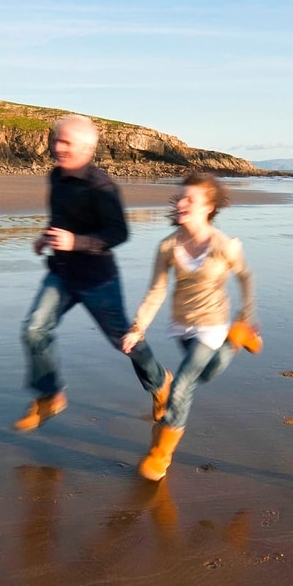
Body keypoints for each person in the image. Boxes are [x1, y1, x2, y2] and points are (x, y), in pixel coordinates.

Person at [13, 114, 172, 431]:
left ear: (87, 149)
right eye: (57, 140)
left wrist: (76, 242)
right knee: (34, 330)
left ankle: (160, 382)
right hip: (61, 273)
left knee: (121, 340)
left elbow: (118, 233)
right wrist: (47, 236)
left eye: (66, 142)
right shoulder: (56, 177)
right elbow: (62, 219)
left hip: (98, 279)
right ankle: (49, 396)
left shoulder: (102, 187)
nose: (57, 147)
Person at [121, 172, 258, 481]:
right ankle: (234, 341)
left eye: (190, 199)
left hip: (213, 323)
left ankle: (161, 455)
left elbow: (245, 277)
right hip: (182, 325)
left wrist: (246, 315)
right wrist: (137, 327)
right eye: (180, 198)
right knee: (203, 376)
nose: (181, 203)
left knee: (184, 385)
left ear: (208, 207)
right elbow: (156, 291)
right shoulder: (168, 246)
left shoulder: (224, 245)